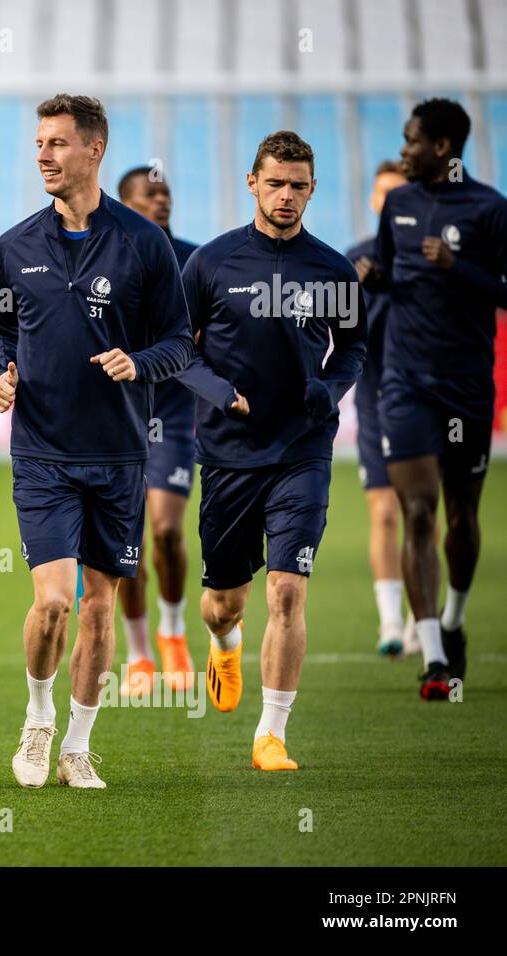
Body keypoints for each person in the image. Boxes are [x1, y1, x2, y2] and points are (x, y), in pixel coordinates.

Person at [0, 95, 193, 790]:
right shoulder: (15, 245)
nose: (43, 155)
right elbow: (2, 328)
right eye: (39, 142)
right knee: (53, 602)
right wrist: (2, 371)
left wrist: (140, 362)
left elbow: (178, 343)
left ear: (93, 151)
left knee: (100, 607)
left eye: (57, 143)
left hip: (119, 455)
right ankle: (39, 718)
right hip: (42, 452)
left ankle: (78, 744)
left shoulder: (144, 243)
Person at [178, 131, 365, 770]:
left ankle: (271, 735)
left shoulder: (334, 270)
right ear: (253, 183)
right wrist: (217, 389)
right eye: (276, 183)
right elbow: (179, 347)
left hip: (303, 451)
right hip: (229, 454)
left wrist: (331, 389)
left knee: (286, 590)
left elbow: (354, 345)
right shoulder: (209, 264)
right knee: (223, 600)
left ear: (313, 190)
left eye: (299, 186)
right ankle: (224, 641)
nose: (287, 196)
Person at [355, 98, 507, 699]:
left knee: (461, 518)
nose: (404, 149)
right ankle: (436, 658)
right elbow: (395, 276)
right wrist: (373, 277)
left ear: (443, 147)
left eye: (412, 140)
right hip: (405, 382)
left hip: (467, 384)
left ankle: (454, 617)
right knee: (416, 509)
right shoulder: (399, 203)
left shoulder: (490, 209)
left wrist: (459, 267)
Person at [114, 166, 200, 694]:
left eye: (166, 191)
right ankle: (139, 652)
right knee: (126, 543)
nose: (161, 199)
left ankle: (173, 632)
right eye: (150, 193)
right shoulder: (105, 254)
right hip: (114, 417)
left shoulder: (195, 259)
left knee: (165, 531)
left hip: (169, 415)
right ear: (125, 203)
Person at [343, 161, 412, 658]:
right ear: (372, 199)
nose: (389, 202)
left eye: (399, 194)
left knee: (422, 513)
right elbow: (340, 332)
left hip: (424, 395)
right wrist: (362, 288)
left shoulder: (431, 256)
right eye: (382, 192)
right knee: (384, 510)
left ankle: (421, 619)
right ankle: (391, 622)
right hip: (374, 397)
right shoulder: (355, 259)